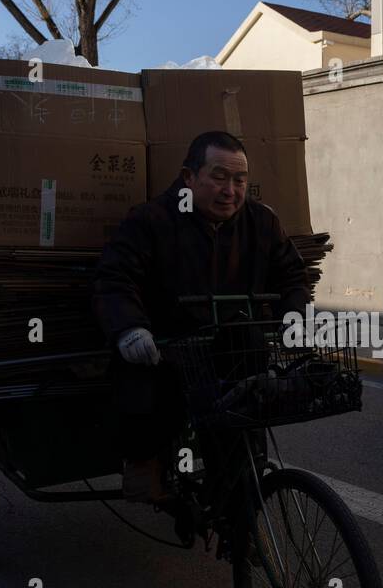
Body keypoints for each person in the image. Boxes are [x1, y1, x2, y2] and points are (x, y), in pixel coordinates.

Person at [93, 131, 310, 501]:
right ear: (189, 177)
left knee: (246, 403)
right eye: (219, 177)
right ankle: (145, 463)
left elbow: (291, 274)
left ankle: (240, 505)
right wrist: (130, 328)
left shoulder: (262, 222)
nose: (230, 190)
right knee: (141, 379)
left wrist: (294, 314)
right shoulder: (151, 220)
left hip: (230, 348)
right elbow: (115, 278)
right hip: (167, 348)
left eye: (240, 180)